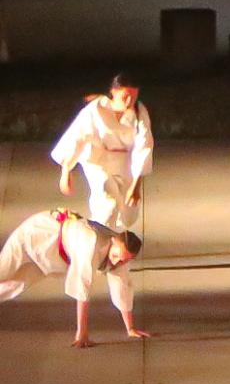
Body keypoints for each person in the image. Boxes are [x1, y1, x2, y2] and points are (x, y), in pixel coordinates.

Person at [0, 209, 145, 348]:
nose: (118, 262)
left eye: (124, 260)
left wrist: (130, 328)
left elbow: (122, 289)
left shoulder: (120, 254)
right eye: (116, 256)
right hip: (36, 233)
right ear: (113, 241)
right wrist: (81, 333)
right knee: (3, 272)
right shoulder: (92, 244)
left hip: (50, 255)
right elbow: (82, 288)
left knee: (15, 286)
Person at [51, 75, 154, 233]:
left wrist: (136, 186)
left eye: (133, 97)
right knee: (106, 202)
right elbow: (78, 137)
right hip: (98, 160)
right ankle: (100, 237)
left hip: (125, 161)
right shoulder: (95, 109)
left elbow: (144, 146)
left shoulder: (139, 113)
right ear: (114, 92)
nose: (129, 102)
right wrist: (66, 171)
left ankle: (114, 236)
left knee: (127, 212)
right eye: (125, 97)